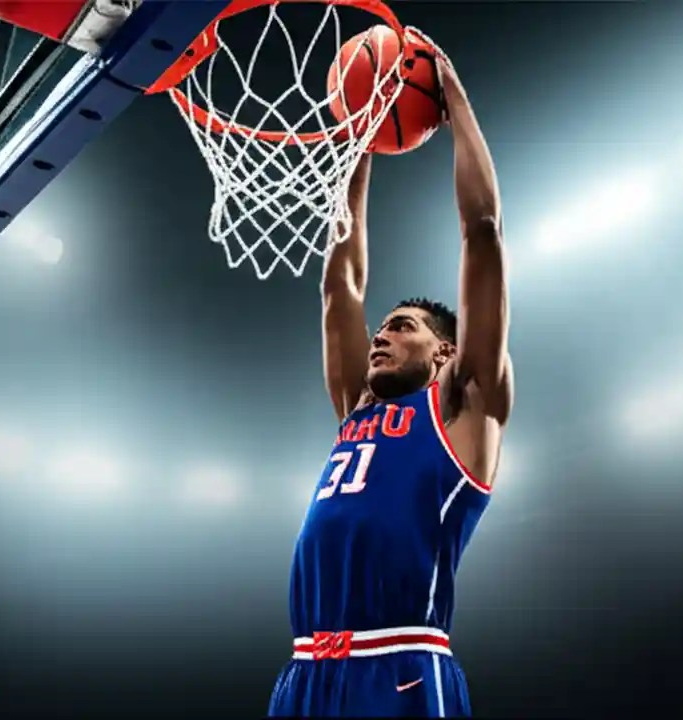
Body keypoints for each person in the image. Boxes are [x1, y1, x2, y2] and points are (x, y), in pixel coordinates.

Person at [268, 51, 512, 718]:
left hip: (399, 663)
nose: (379, 334)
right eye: (382, 326)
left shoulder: (464, 404)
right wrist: (361, 137)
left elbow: (482, 232)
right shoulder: (358, 407)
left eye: (401, 327)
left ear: (446, 353)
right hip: (306, 668)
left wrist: (453, 96)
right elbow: (339, 283)